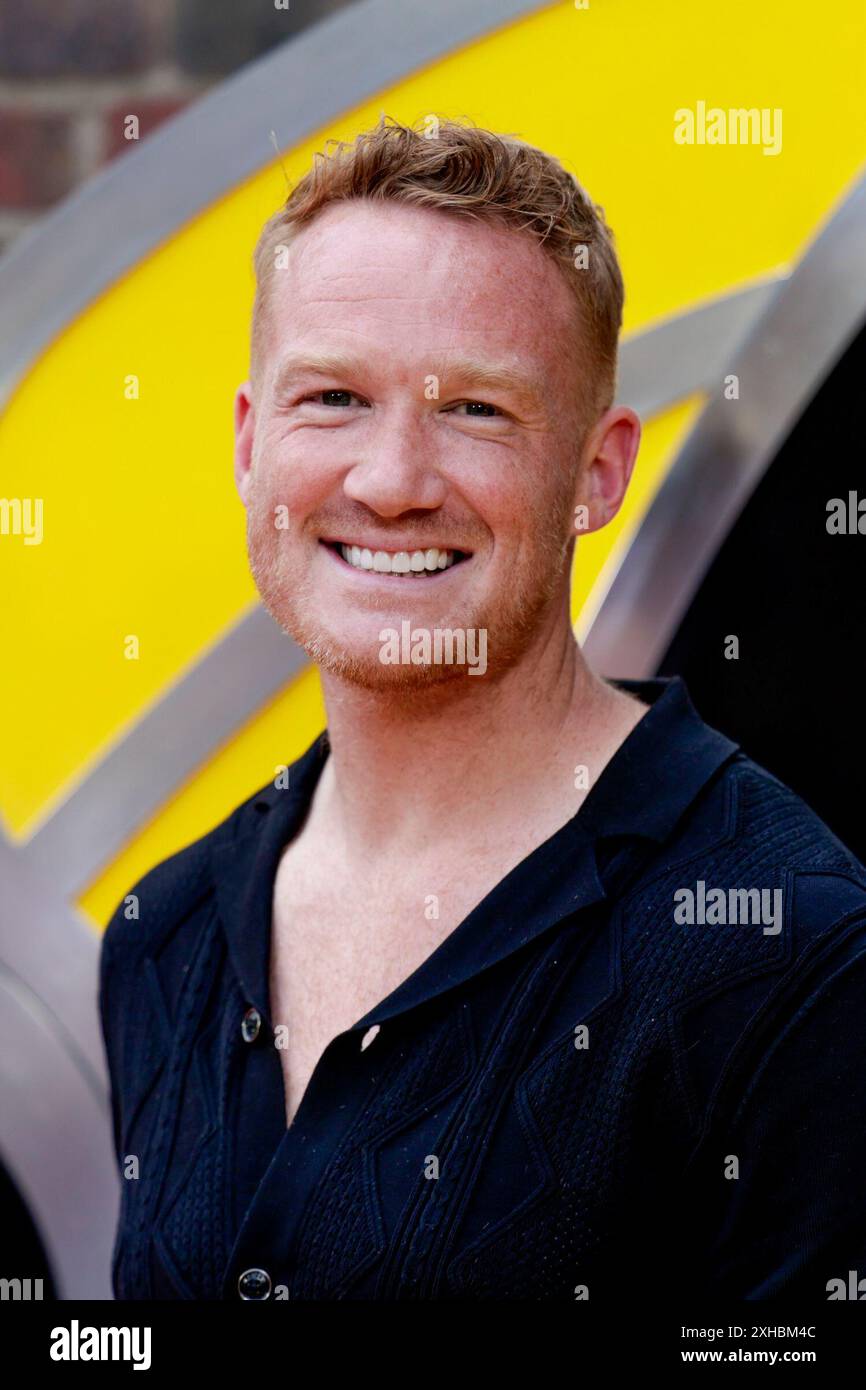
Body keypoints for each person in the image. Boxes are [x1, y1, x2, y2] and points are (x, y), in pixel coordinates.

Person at [99, 117, 866, 1301]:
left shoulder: (794, 950)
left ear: (596, 472)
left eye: (476, 411)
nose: (393, 481)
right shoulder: (165, 931)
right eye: (334, 397)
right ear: (251, 445)